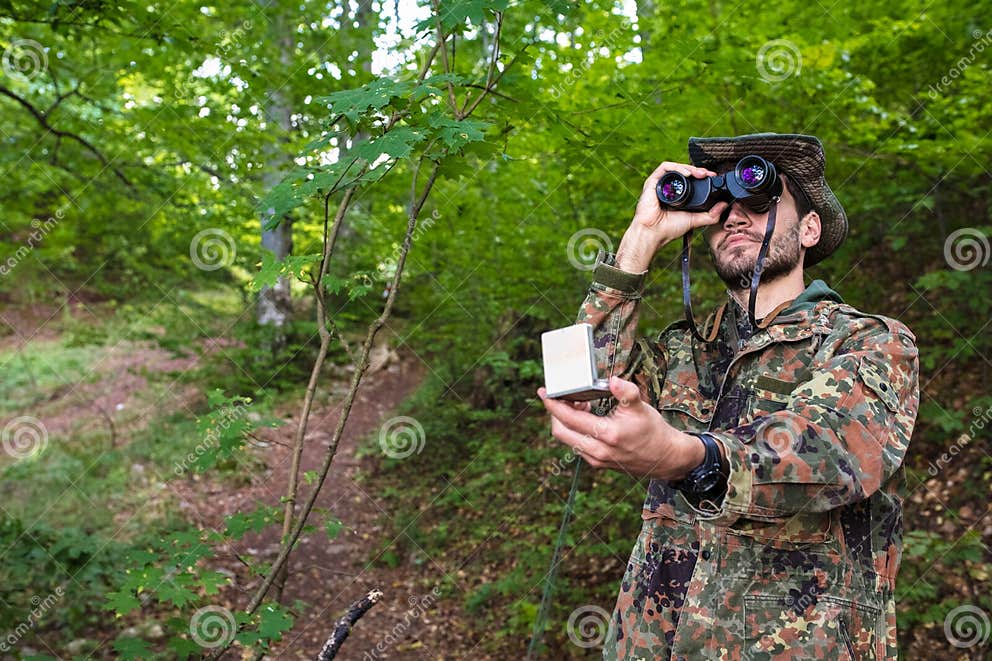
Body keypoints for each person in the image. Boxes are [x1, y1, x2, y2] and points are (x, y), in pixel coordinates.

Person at [537, 133, 920, 659]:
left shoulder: (869, 341)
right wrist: (639, 240)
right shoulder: (684, 350)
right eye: (723, 206)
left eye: (760, 200)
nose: (735, 217)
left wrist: (687, 456)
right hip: (652, 641)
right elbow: (586, 396)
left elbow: (833, 451)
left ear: (810, 229)